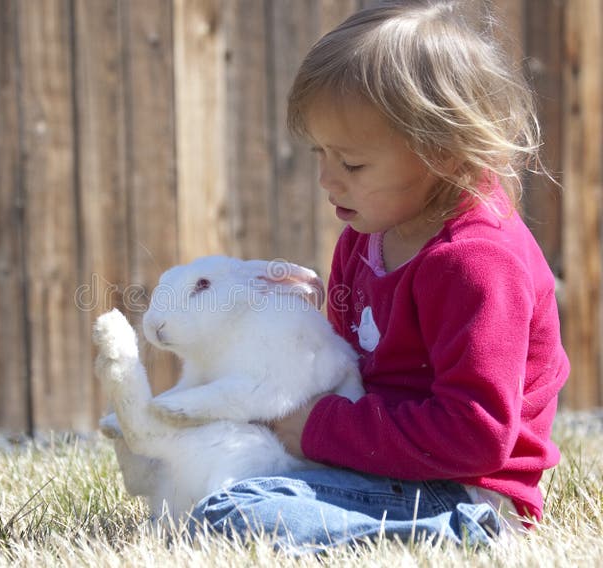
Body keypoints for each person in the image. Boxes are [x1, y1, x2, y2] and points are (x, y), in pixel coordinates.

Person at [187, 0, 569, 551]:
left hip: (461, 489)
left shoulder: (476, 264)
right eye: (319, 154)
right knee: (223, 483)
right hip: (380, 465)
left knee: (233, 513)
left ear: (445, 153)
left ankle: (470, 536)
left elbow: (475, 436)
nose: (327, 180)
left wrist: (317, 429)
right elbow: (350, 372)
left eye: (352, 164)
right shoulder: (364, 240)